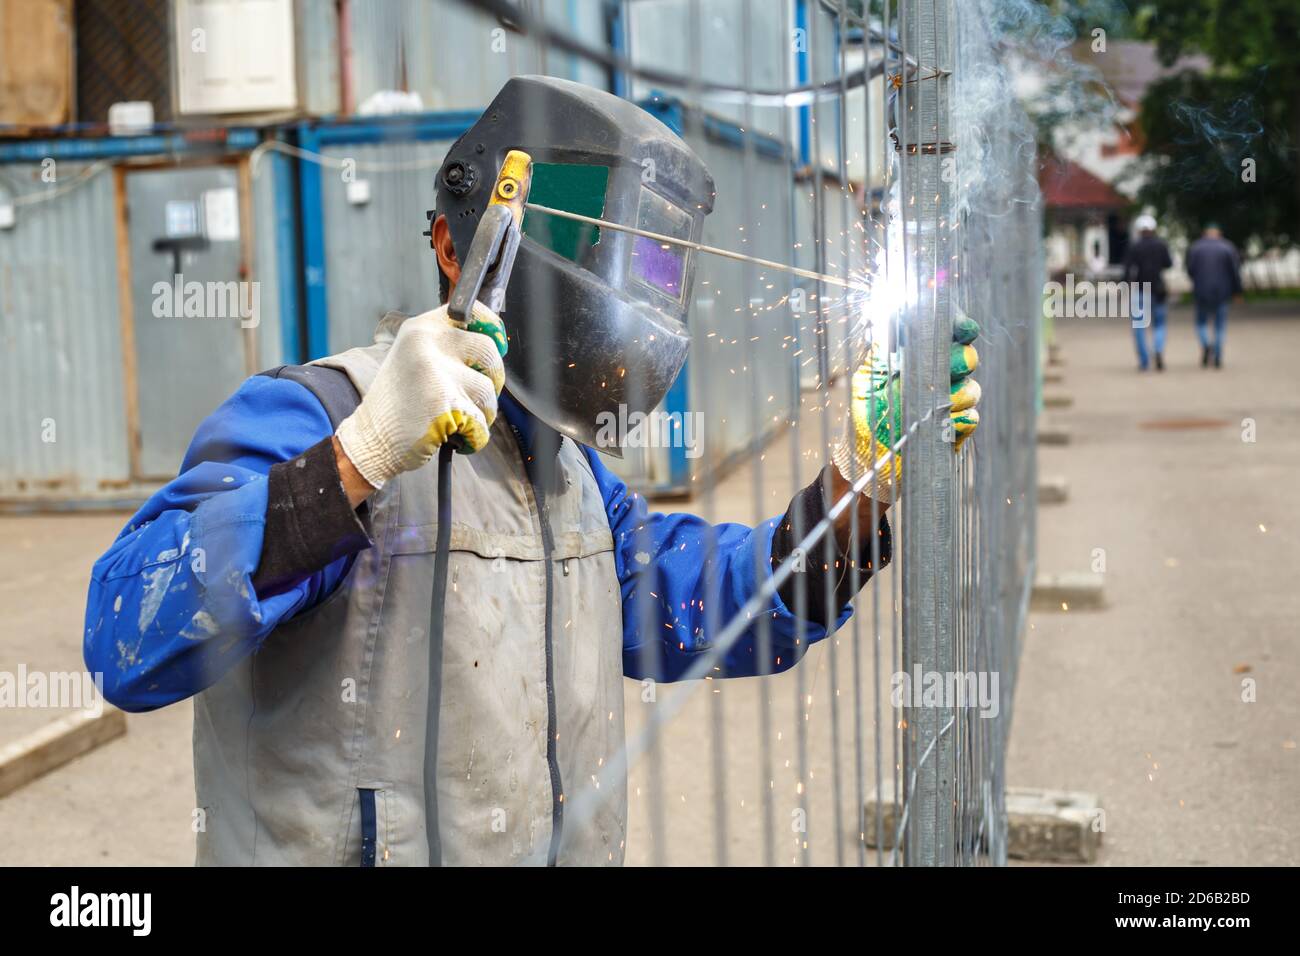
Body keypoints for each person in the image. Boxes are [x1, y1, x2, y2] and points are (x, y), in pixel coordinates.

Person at [82, 76, 982, 866]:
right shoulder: (314, 413)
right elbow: (124, 631)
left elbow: (719, 603)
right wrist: (358, 460)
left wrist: (862, 477)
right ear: (450, 244)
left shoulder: (575, 479)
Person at [1184, 223, 1242, 368]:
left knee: (1201, 323)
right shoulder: (1227, 247)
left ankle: (1206, 344)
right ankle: (1217, 354)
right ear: (1219, 233)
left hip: (1201, 291)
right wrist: (1237, 291)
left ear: (1205, 233)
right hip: (1222, 292)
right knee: (1220, 325)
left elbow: (1190, 270)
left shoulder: (1196, 247)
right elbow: (1234, 272)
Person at [1122, 213, 1172, 371]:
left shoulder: (1135, 246)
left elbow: (1127, 270)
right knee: (1159, 324)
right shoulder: (1161, 245)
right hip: (1158, 289)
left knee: (1139, 327)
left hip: (1140, 290)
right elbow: (1168, 264)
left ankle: (1144, 361)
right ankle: (1157, 350)